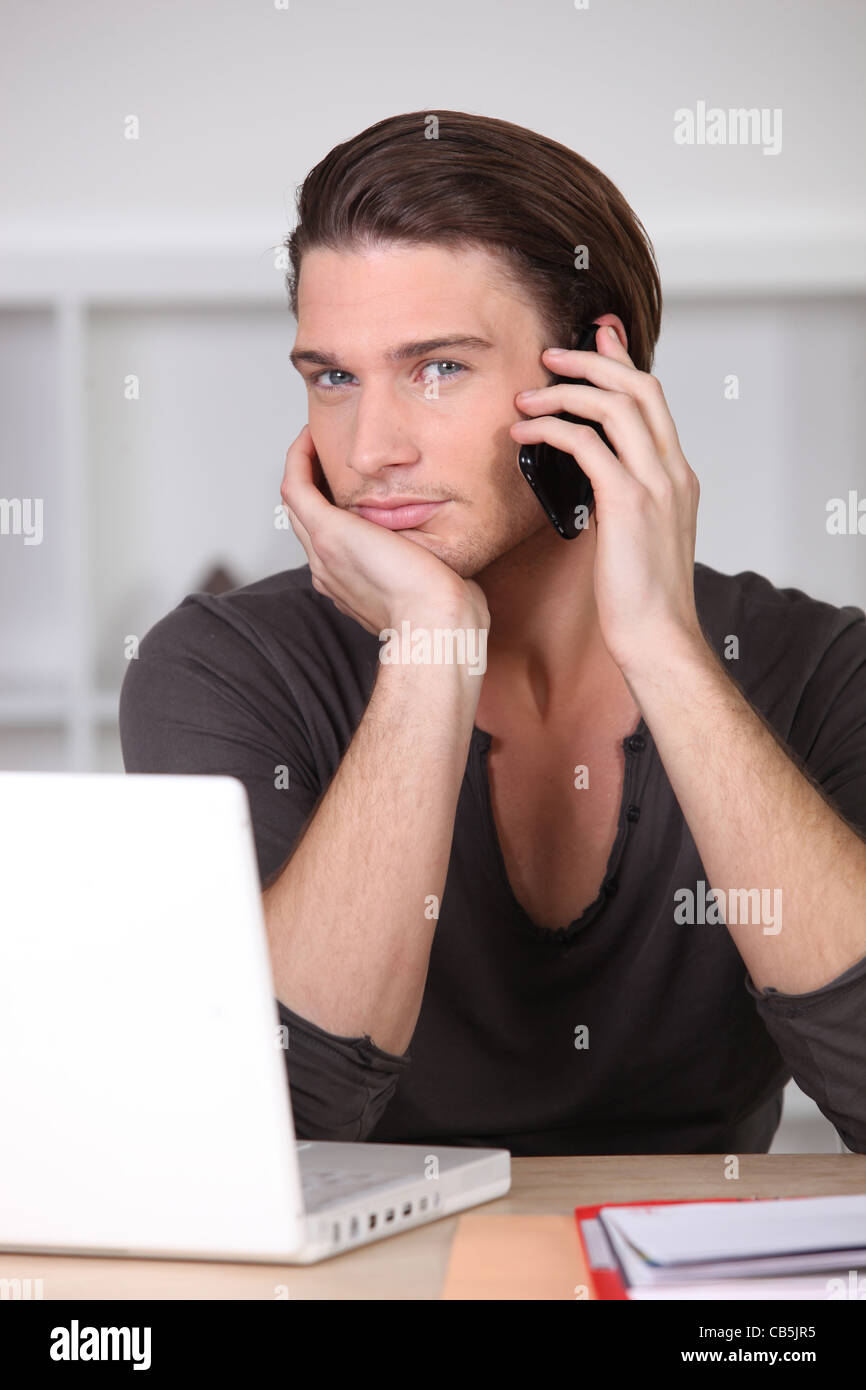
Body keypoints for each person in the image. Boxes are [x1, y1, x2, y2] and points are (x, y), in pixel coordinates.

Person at [119, 109, 866, 1155]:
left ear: (591, 379)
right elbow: (281, 1125)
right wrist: (429, 644)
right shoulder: (219, 670)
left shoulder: (820, 669)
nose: (370, 447)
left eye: (437, 368)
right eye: (332, 376)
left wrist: (660, 646)